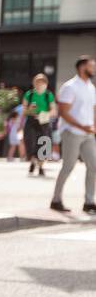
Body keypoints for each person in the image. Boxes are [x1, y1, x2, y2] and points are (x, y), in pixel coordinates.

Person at [50, 55, 96, 214]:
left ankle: (89, 202)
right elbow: (63, 112)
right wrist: (82, 126)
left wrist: (93, 126)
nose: (94, 69)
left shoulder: (91, 87)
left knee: (94, 166)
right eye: (91, 66)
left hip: (88, 134)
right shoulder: (70, 87)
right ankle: (56, 200)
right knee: (68, 166)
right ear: (82, 67)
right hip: (71, 132)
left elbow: (93, 109)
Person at [21, 74, 57, 176]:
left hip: (44, 121)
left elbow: (54, 111)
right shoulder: (29, 94)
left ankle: (41, 166)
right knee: (31, 143)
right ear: (34, 83)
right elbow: (23, 111)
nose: (39, 85)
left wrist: (44, 114)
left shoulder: (48, 95)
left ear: (46, 84)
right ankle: (33, 162)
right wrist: (29, 110)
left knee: (44, 144)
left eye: (42, 83)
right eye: (37, 82)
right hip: (31, 121)